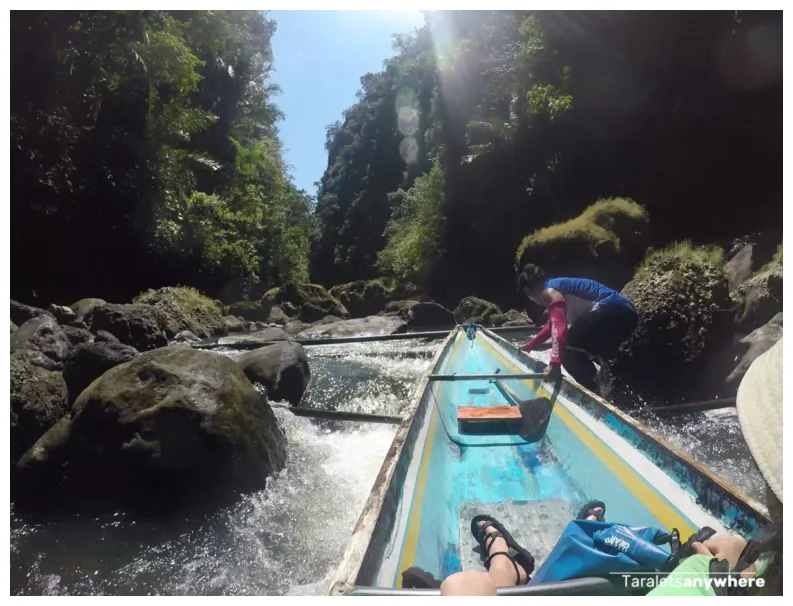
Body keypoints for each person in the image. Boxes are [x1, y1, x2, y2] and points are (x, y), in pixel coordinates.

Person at [436, 339, 783, 596]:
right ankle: (584, 534)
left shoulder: (706, 581)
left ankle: (504, 555)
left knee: (476, 584)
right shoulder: (760, 573)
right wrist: (736, 577)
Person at [516, 264, 638, 393]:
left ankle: (593, 391)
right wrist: (530, 345)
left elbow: (559, 327)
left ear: (527, 292)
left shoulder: (549, 291)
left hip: (610, 310)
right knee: (598, 356)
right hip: (626, 314)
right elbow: (552, 326)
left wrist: (554, 364)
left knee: (566, 347)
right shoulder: (558, 286)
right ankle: (611, 391)